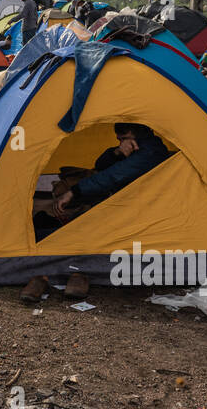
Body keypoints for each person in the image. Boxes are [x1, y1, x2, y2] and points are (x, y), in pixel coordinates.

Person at [21, 123, 172, 302]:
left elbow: (111, 177)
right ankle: (45, 230)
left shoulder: (149, 152)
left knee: (79, 229)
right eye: (119, 138)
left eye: (124, 136)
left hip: (134, 213)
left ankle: (37, 240)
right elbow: (100, 166)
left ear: (137, 132)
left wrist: (73, 192)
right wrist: (117, 152)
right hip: (123, 205)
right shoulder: (136, 148)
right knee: (79, 217)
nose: (120, 140)